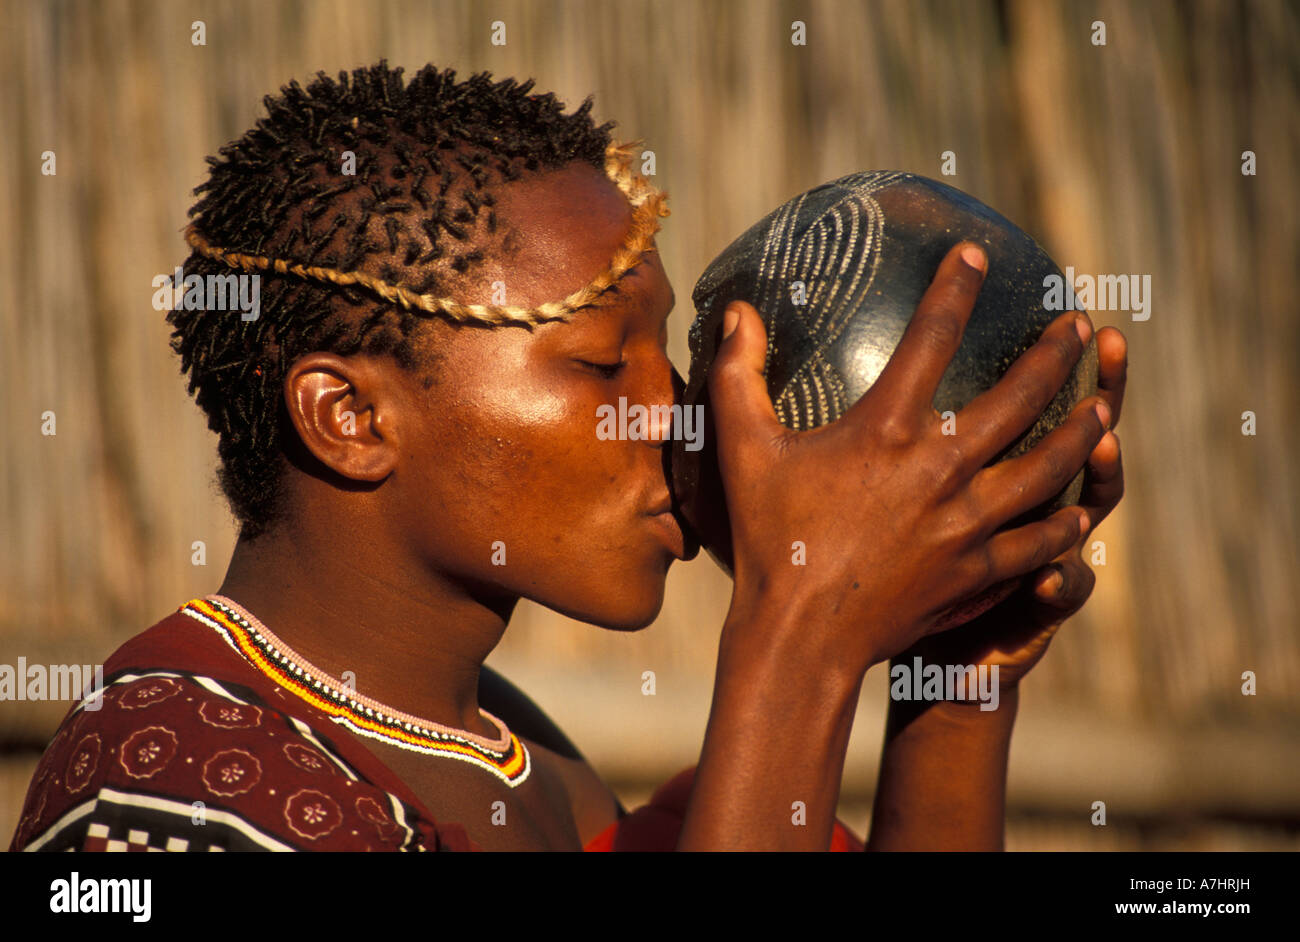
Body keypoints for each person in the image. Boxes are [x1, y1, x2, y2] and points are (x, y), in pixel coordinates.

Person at [10, 61, 1126, 852]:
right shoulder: (172, 786)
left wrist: (956, 683)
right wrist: (799, 640)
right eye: (602, 368)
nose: (680, 413)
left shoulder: (523, 757)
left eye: (671, 353)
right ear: (351, 417)